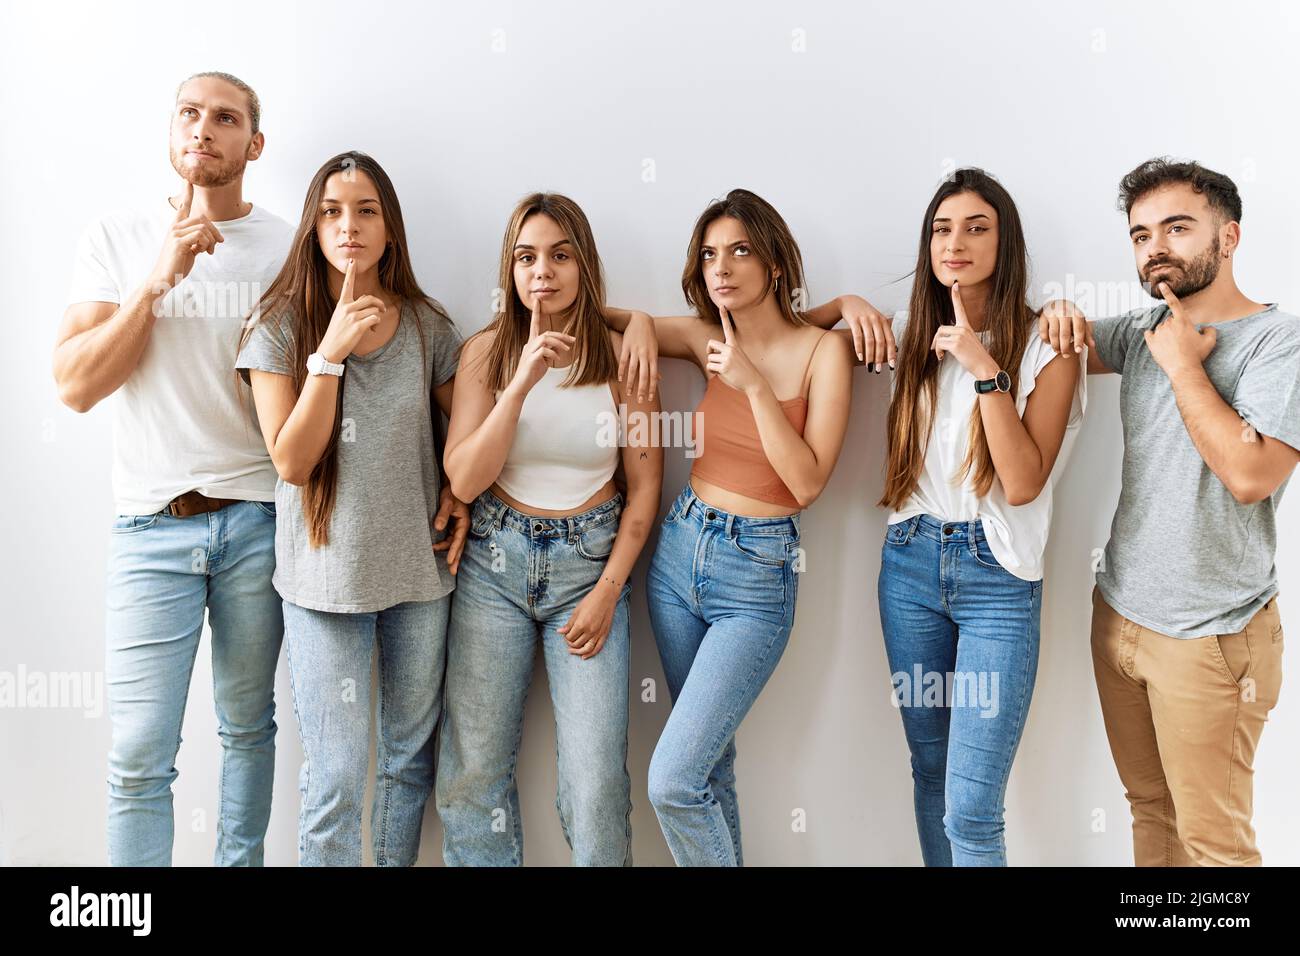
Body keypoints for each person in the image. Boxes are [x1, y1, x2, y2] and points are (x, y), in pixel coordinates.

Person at [54, 72, 293, 866]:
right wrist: (156, 282)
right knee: (136, 754)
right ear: (170, 133)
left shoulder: (289, 247)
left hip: (258, 521)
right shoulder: (117, 237)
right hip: (148, 527)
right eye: (189, 114)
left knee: (249, 731)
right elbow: (76, 386)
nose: (204, 129)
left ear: (252, 146)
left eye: (225, 119)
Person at [1039, 157, 1298, 866]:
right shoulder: (1143, 327)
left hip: (1211, 638)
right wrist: (1056, 315)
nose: (1156, 247)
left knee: (1214, 845)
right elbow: (1039, 340)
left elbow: (1251, 475)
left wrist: (1185, 366)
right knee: (1151, 813)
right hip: (1120, 615)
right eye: (1141, 233)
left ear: (1229, 236)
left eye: (1178, 228)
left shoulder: (1282, 342)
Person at [822, 168, 1085, 865]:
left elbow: (1024, 481)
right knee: (932, 774)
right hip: (908, 566)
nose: (956, 242)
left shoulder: (1046, 345)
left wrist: (983, 367)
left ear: (1007, 242)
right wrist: (847, 303)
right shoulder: (912, 337)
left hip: (996, 578)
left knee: (971, 809)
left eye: (976, 227)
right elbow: (788, 333)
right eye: (942, 228)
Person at [606, 188, 855, 866]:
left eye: (741, 250)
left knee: (673, 781)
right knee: (708, 772)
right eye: (710, 253)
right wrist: (632, 325)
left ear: (775, 262)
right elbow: (602, 318)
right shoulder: (704, 336)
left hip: (758, 572)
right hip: (680, 549)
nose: (722, 266)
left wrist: (750, 384)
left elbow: (806, 483)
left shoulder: (822, 354)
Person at [235, 151, 468, 866]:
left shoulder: (428, 327)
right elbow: (293, 462)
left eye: (367, 210)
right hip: (323, 587)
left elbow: (468, 439)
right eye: (332, 211)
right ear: (312, 229)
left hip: (418, 580)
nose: (350, 225)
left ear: (390, 229)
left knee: (405, 765)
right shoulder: (280, 324)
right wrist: (328, 355)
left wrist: (458, 491)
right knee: (335, 779)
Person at [435, 193, 662, 866]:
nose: (543, 271)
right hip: (491, 567)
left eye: (560, 255)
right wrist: (523, 380)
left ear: (583, 265)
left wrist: (608, 590)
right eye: (527, 257)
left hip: (590, 569)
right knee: (474, 770)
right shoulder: (484, 353)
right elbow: (465, 480)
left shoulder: (622, 360)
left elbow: (645, 488)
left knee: (594, 782)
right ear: (510, 270)